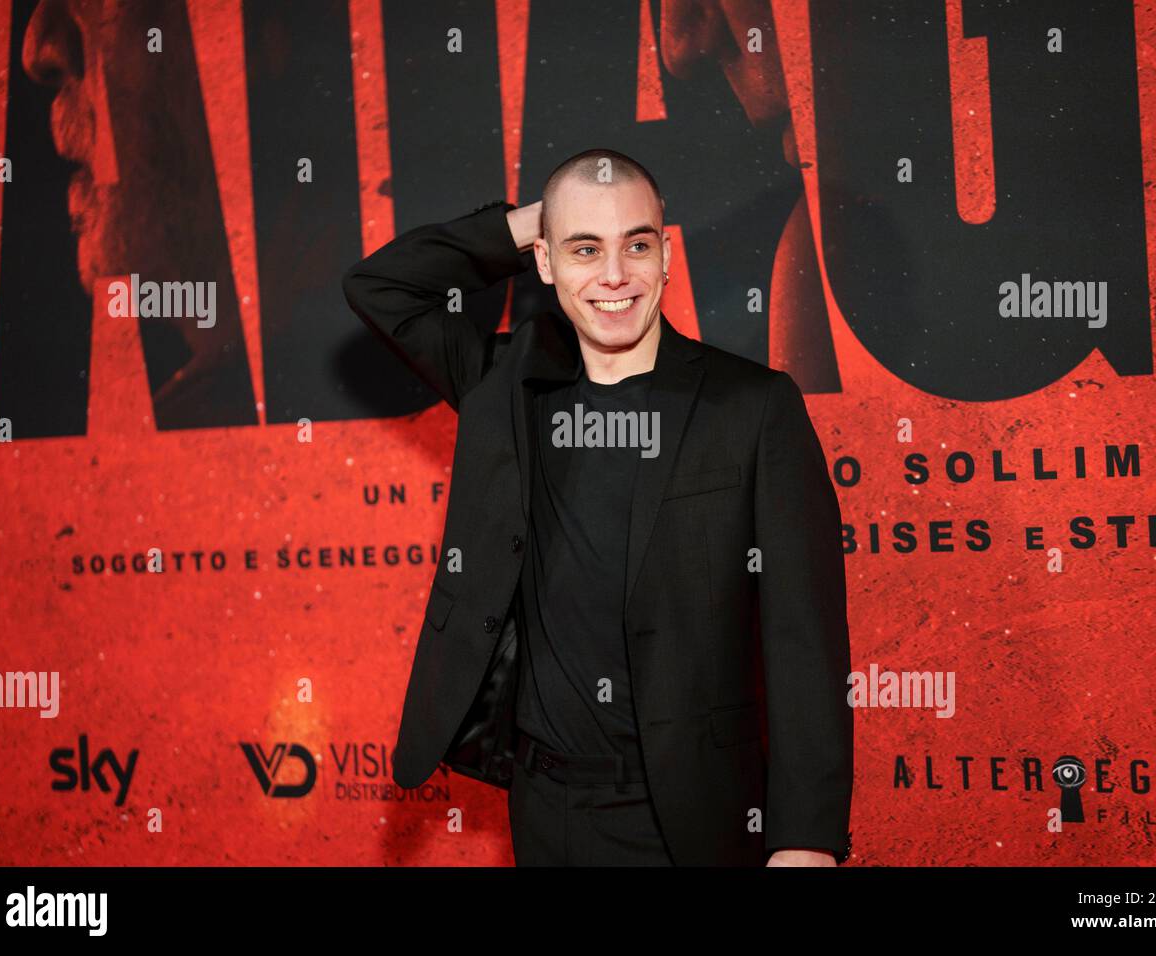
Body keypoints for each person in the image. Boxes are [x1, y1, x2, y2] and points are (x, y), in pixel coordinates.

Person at [342, 148, 853, 866]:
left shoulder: (752, 408)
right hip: (547, 811)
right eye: (585, 248)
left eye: (636, 245)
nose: (614, 276)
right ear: (545, 263)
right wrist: (527, 224)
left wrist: (806, 840)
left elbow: (805, 642)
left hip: (695, 815)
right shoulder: (505, 389)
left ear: (666, 256)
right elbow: (380, 286)